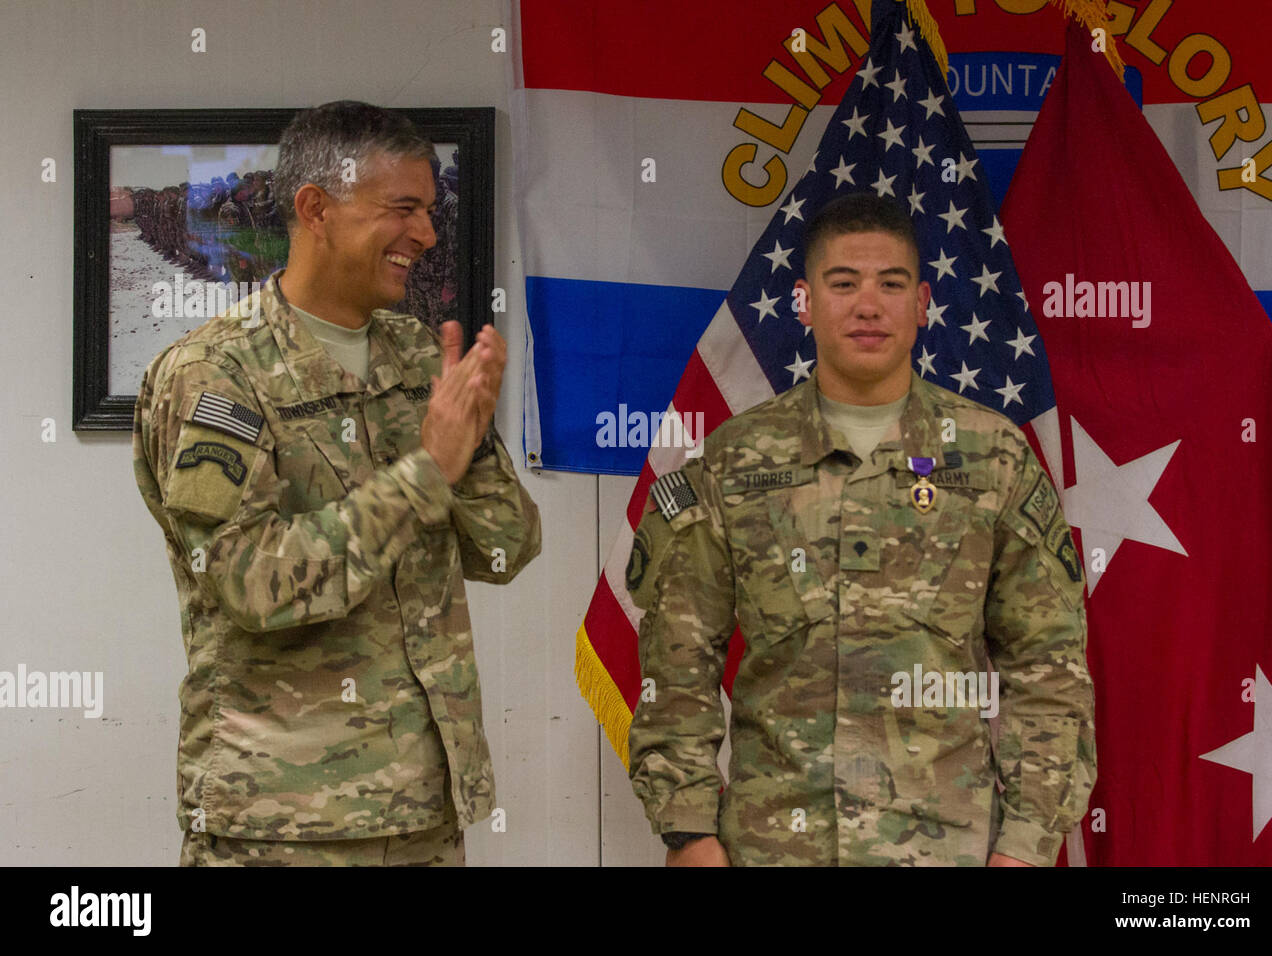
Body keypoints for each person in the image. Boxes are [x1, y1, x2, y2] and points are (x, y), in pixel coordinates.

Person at [626, 192, 1095, 866]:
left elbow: (1048, 669)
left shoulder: (994, 458)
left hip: (946, 848)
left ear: (922, 302)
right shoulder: (734, 462)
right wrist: (688, 829)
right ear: (804, 302)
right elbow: (677, 659)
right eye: (842, 283)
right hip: (774, 847)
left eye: (891, 284)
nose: (868, 305)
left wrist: (1025, 845)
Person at [133, 101, 541, 866]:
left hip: (425, 810)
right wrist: (424, 474)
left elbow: (505, 552)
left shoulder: (418, 356)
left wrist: (472, 444)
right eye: (403, 209)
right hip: (279, 827)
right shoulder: (215, 375)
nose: (426, 233)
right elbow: (253, 584)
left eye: (431, 209)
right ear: (316, 208)